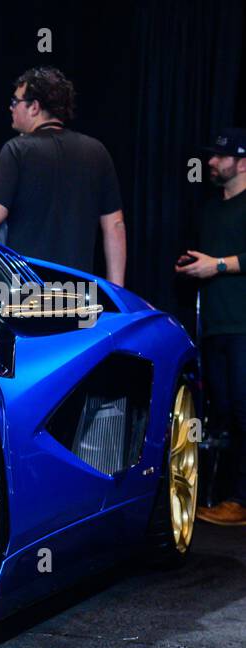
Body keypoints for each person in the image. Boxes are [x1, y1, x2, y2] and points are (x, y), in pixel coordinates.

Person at [0, 67, 126, 285]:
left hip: (27, 287)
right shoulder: (97, 152)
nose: (11, 108)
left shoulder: (17, 149)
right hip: (78, 290)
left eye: (15, 101)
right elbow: (115, 226)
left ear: (34, 107)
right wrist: (116, 290)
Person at [177, 128, 246, 525]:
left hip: (242, 324)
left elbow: (225, 262)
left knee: (241, 407)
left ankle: (240, 498)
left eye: (220, 157)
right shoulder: (209, 210)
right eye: (210, 157)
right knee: (221, 410)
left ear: (241, 161)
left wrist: (217, 265)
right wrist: (193, 268)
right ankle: (226, 496)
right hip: (215, 324)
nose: (211, 163)